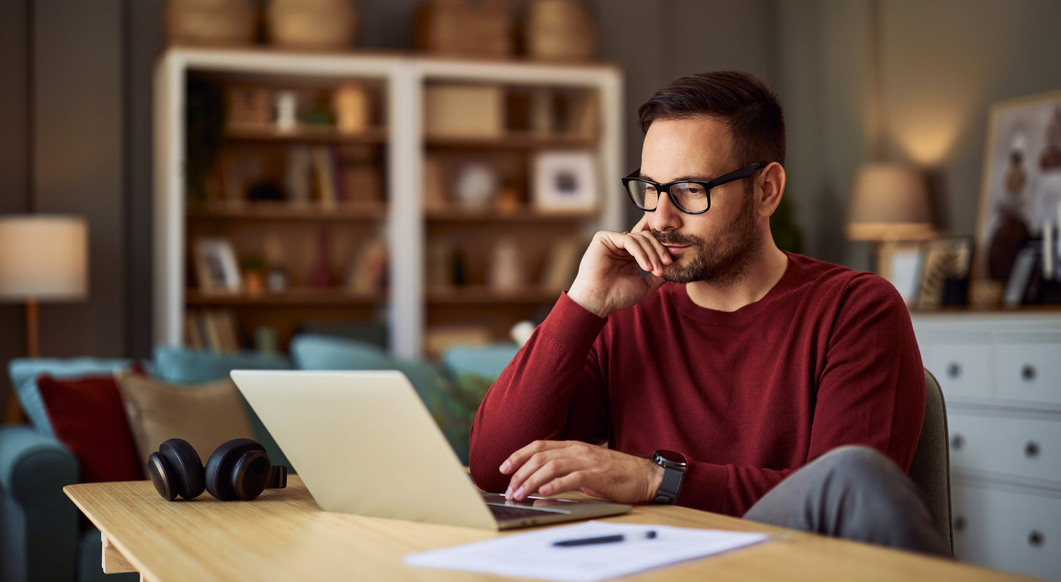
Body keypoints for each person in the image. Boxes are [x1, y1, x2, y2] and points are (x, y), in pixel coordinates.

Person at [468, 71, 949, 556]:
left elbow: (848, 503)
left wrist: (658, 479)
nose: (659, 219)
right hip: (656, 567)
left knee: (854, 474)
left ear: (767, 190)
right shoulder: (628, 317)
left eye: (691, 190)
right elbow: (495, 469)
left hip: (786, 563)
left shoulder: (856, 309)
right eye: (651, 188)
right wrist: (582, 303)